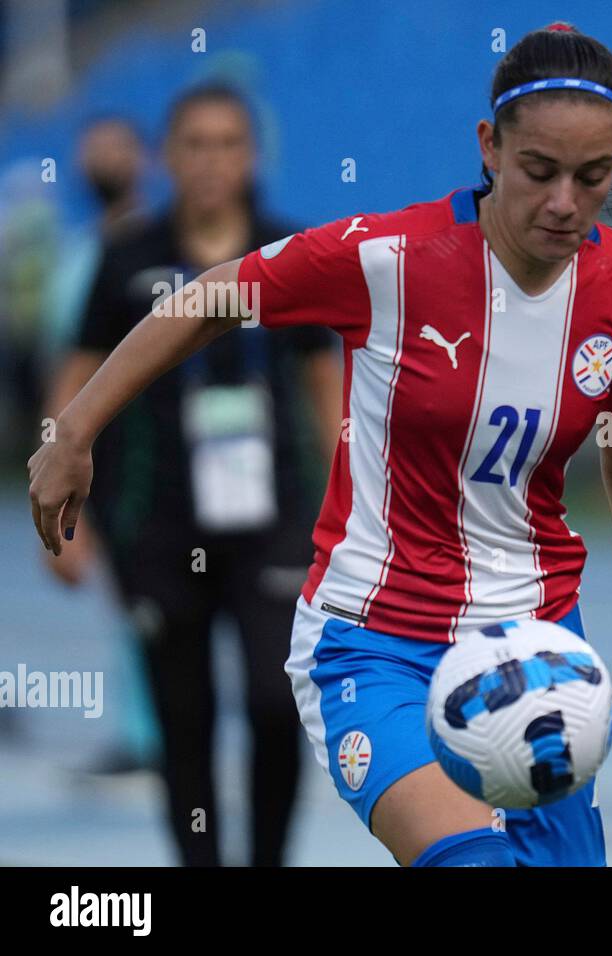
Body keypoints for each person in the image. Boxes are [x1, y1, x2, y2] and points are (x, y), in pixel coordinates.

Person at [29, 24, 612, 868]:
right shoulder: (388, 257)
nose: (562, 203)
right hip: (375, 638)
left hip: (537, 639)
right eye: (538, 171)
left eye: (591, 177)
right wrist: (73, 429)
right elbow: (207, 299)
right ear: (489, 146)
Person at [42, 84, 342, 865]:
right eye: (195, 144)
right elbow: (74, 382)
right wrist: (64, 510)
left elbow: (325, 389)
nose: (211, 161)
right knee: (184, 718)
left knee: (277, 704)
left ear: (253, 155)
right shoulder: (128, 256)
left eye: (228, 143)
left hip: (274, 519)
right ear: (168, 156)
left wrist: (351, 505)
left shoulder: (289, 252)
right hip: (155, 522)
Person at [42, 114, 159, 775]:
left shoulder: (162, 253)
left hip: (158, 448)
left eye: (115, 150)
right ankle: (148, 733)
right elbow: (67, 365)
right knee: (129, 593)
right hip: (100, 455)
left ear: (144, 159)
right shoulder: (74, 256)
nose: (102, 163)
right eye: (91, 153)